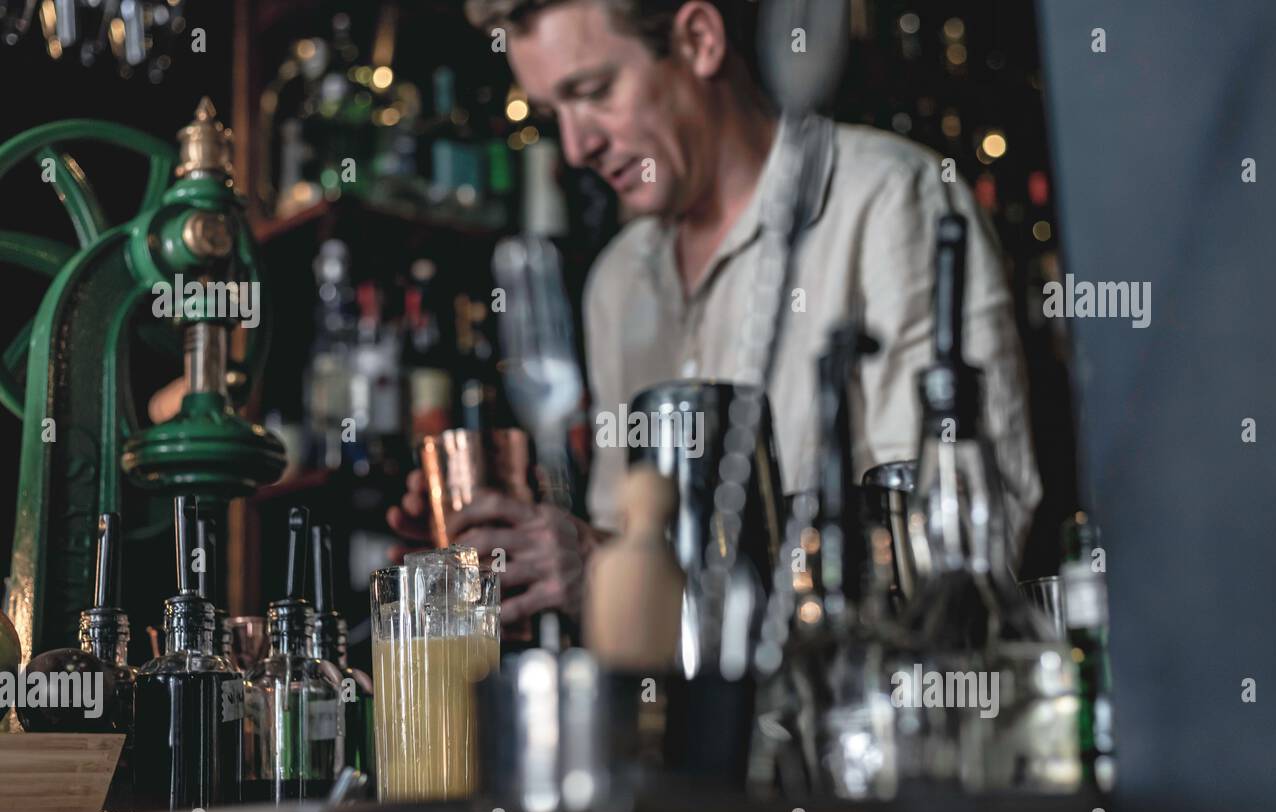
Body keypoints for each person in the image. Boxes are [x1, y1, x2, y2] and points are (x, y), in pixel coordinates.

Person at [387, 0, 1040, 631]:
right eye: (555, 110)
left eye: (594, 91)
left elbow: (967, 545)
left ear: (699, 39)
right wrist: (536, 553)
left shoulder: (889, 200)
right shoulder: (618, 283)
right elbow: (636, 546)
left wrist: (610, 569)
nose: (577, 146)